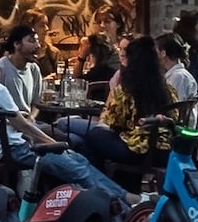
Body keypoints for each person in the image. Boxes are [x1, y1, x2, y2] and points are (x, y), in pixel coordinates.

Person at [0, 37, 132, 213]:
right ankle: (123, 205)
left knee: (77, 160)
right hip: (14, 149)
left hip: (0, 145)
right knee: (77, 166)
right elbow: (24, 125)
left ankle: (121, 199)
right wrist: (49, 142)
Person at [63, 35, 176, 169]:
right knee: (86, 139)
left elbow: (113, 122)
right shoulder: (168, 88)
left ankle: (101, 183)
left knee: (93, 136)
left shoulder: (127, 89)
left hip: (138, 151)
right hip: (166, 151)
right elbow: (175, 116)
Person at [0, 25, 45, 115]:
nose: (38, 45)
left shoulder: (34, 69)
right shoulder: (0, 68)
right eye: (32, 41)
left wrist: (31, 118)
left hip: (29, 122)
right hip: (9, 123)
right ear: (17, 44)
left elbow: (36, 103)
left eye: (37, 41)